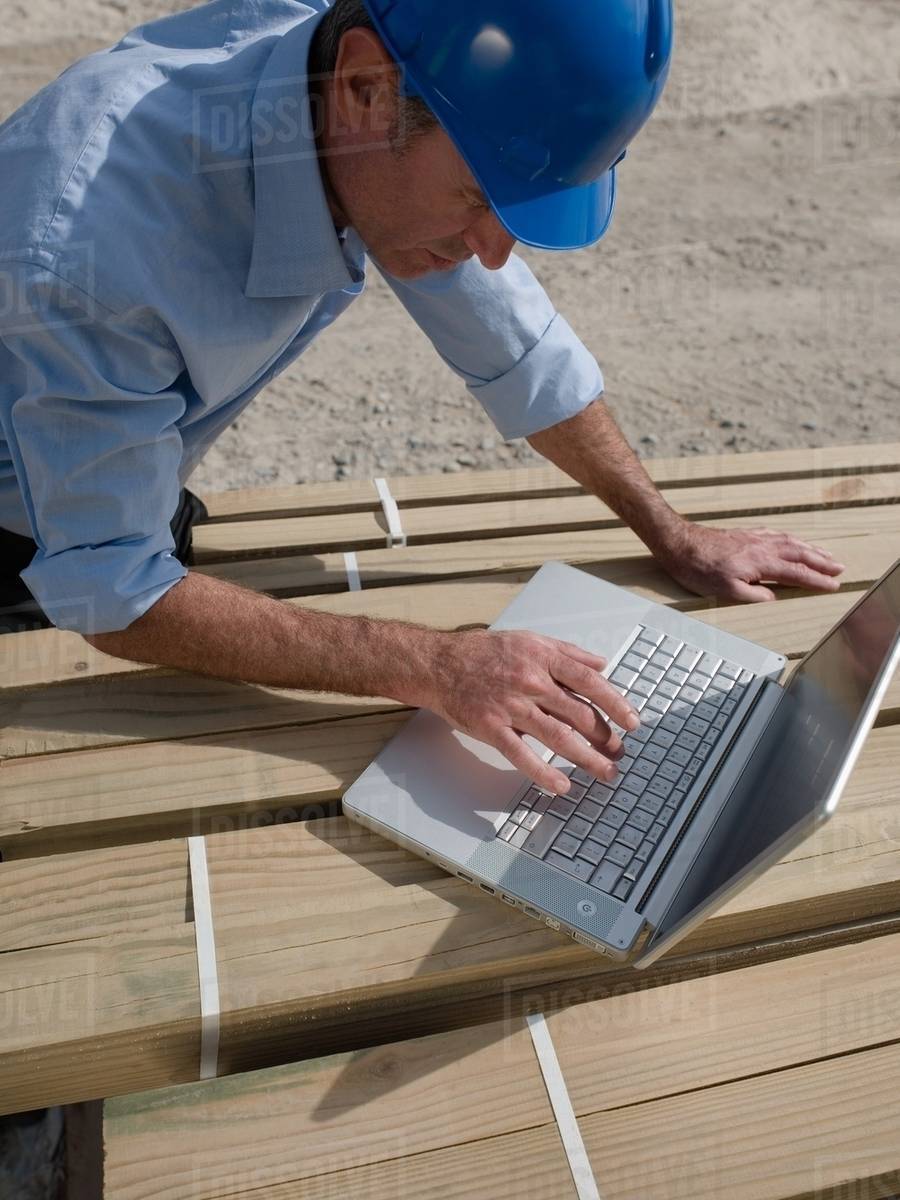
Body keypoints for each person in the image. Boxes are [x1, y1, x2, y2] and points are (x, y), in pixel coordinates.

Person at [0, 0, 844, 795]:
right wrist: (440, 666)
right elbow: (112, 587)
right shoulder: (85, 253)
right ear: (365, 90)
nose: (494, 251)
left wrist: (670, 530)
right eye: (480, 200)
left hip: (97, 481)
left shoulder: (365, 87)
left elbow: (513, 348)